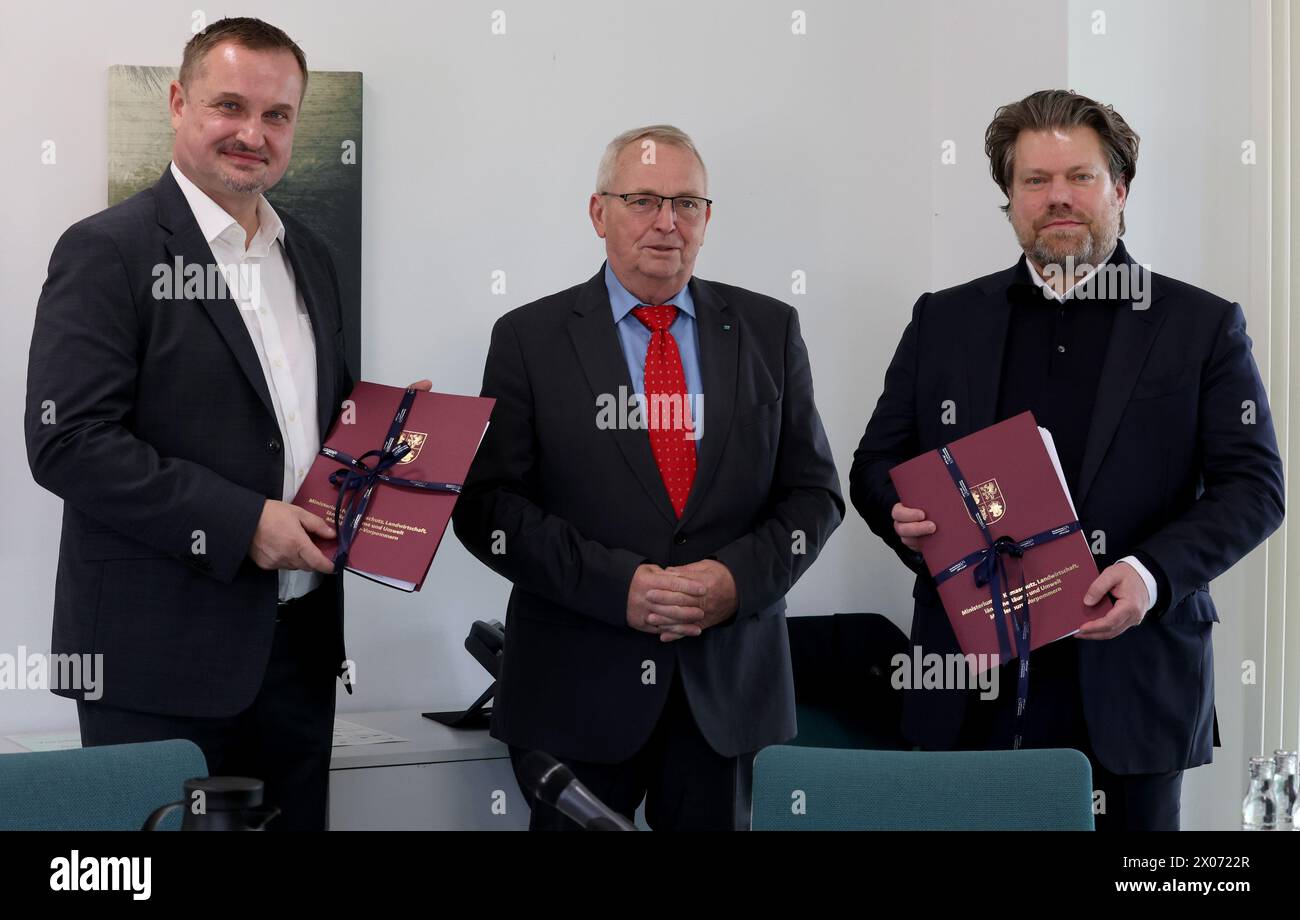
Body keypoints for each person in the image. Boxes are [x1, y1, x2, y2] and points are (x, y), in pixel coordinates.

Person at [850, 89, 1285, 830]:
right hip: (969, 682)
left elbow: (1255, 488)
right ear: (1009, 199)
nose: (1058, 198)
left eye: (1079, 177)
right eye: (1034, 181)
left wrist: (1150, 574)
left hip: (1132, 681)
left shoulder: (1200, 325)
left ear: (1119, 189)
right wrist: (902, 517)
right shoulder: (942, 320)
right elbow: (875, 465)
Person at [452, 124, 844, 830]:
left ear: (708, 218)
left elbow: (815, 495)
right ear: (599, 212)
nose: (667, 222)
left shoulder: (769, 328)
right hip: (574, 690)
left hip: (726, 691)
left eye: (687, 204)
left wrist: (735, 582)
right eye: (644, 200)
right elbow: (487, 510)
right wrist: (618, 587)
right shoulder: (529, 339)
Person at [25, 17, 356, 830]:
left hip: (298, 655)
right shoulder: (107, 251)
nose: (253, 134)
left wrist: (389, 435)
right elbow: (67, 441)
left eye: (277, 116)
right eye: (229, 106)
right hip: (153, 666)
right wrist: (245, 524)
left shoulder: (308, 254)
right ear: (178, 103)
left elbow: (299, 430)